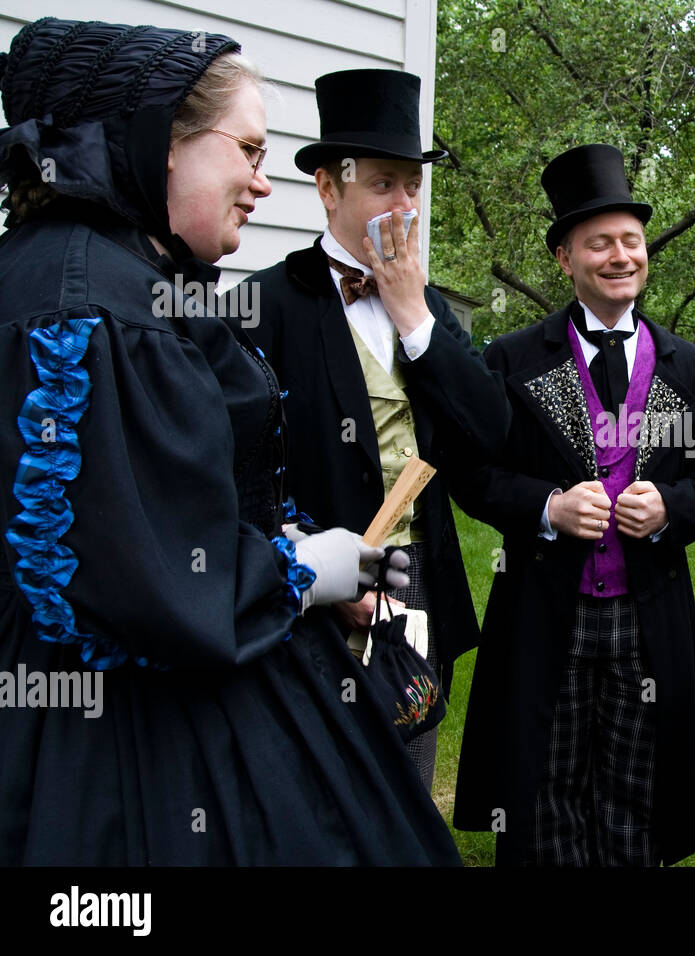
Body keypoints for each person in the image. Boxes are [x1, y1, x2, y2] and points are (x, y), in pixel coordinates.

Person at [0, 18, 460, 865]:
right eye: (246, 152)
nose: (259, 182)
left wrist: (291, 553)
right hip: (140, 733)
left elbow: (154, 505)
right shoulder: (95, 303)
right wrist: (299, 572)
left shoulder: (125, 275)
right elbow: (146, 576)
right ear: (158, 142)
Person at [449, 144, 695, 866]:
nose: (620, 256)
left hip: (649, 615)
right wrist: (547, 506)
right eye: (599, 243)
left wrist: (672, 506)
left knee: (637, 787)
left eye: (631, 241)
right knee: (545, 783)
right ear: (565, 258)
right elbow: (470, 469)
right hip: (544, 613)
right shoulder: (512, 362)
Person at [234, 69, 510, 796]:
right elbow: (240, 474)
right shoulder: (258, 304)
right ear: (330, 187)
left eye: (413, 186)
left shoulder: (429, 306)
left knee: (409, 781)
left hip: (417, 580)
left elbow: (491, 429)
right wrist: (315, 574)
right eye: (385, 183)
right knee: (315, 790)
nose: (405, 203)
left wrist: (415, 317)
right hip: (312, 588)